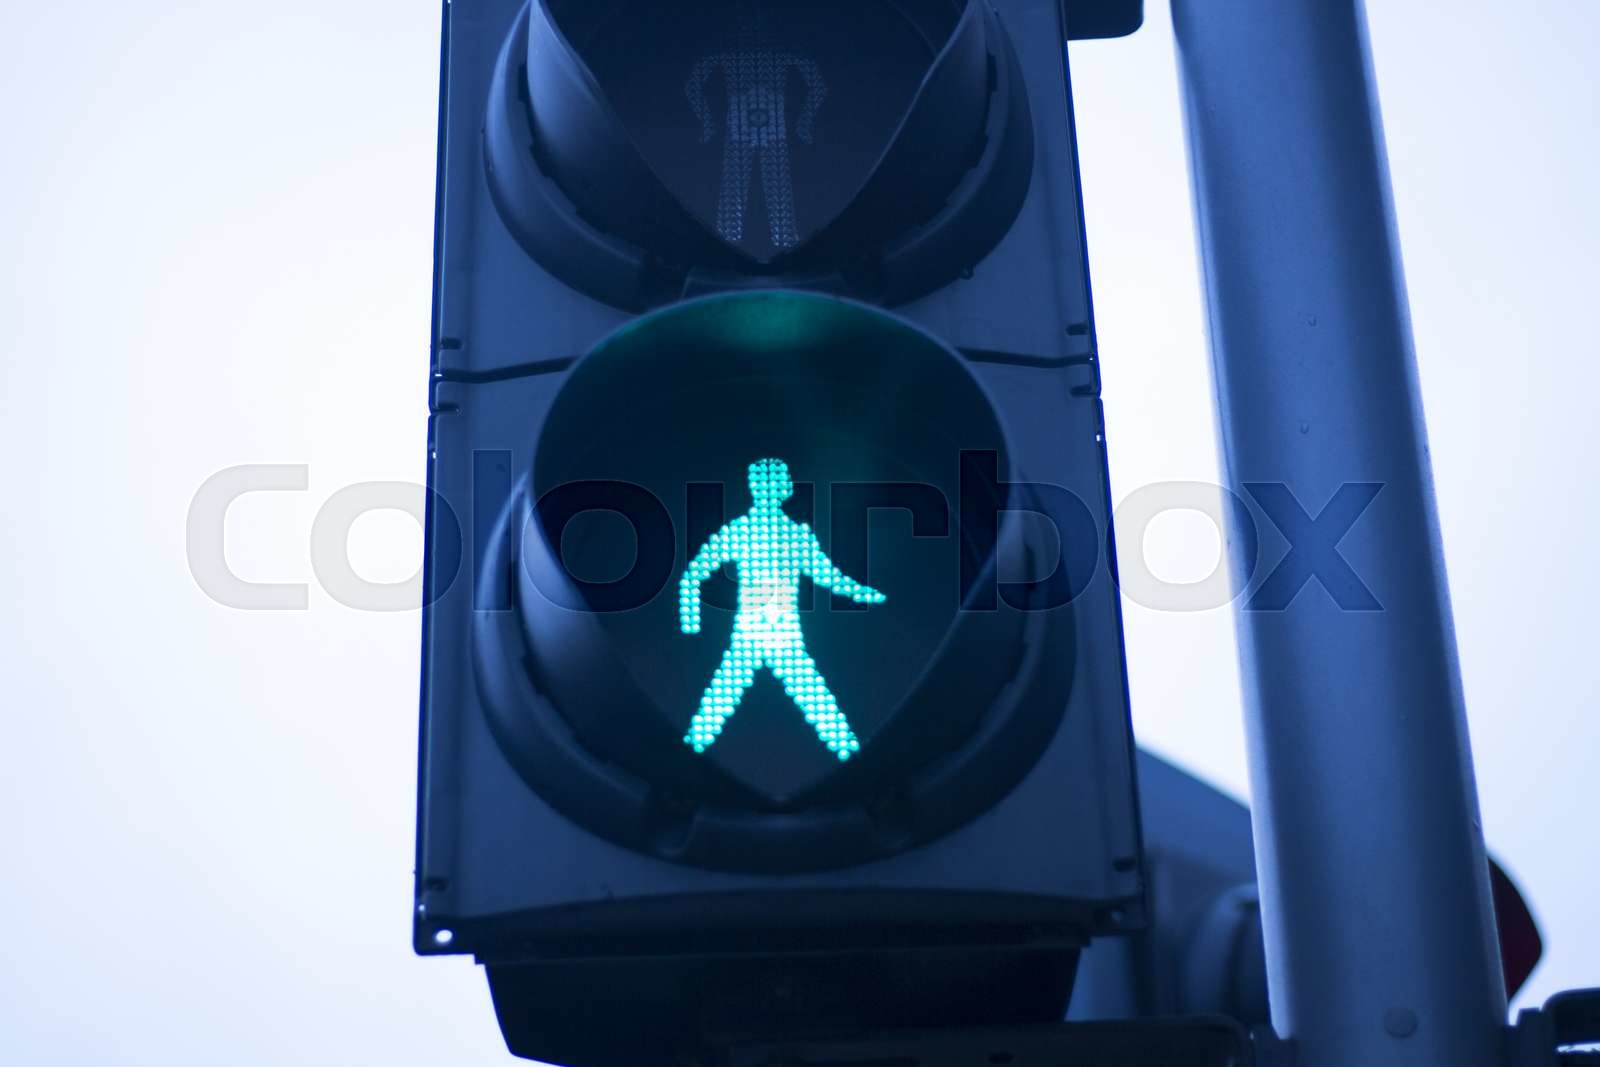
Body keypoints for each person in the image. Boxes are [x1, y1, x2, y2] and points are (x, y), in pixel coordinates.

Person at [679, 458, 884, 760]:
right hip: (764, 633)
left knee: (724, 704)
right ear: (776, 487)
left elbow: (692, 576)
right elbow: (692, 576)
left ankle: (851, 755)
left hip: (769, 633)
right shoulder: (766, 532)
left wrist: (692, 622)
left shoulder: (769, 532)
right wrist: (691, 623)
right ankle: (852, 756)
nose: (787, 484)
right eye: (783, 479)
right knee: (812, 702)